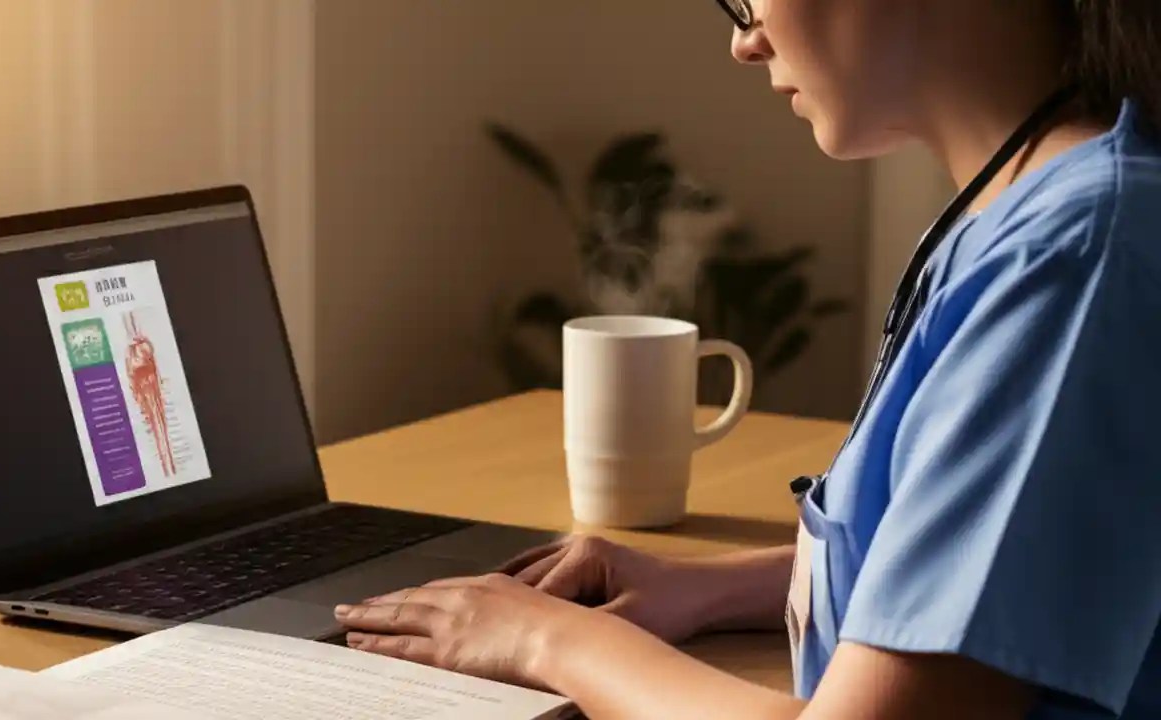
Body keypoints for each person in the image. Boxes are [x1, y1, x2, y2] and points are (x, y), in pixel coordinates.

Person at [335, 1, 1161, 717]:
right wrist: (707, 587)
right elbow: (985, 574)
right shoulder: (1026, 212)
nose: (746, 42)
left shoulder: (1077, 258)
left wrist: (545, 639)